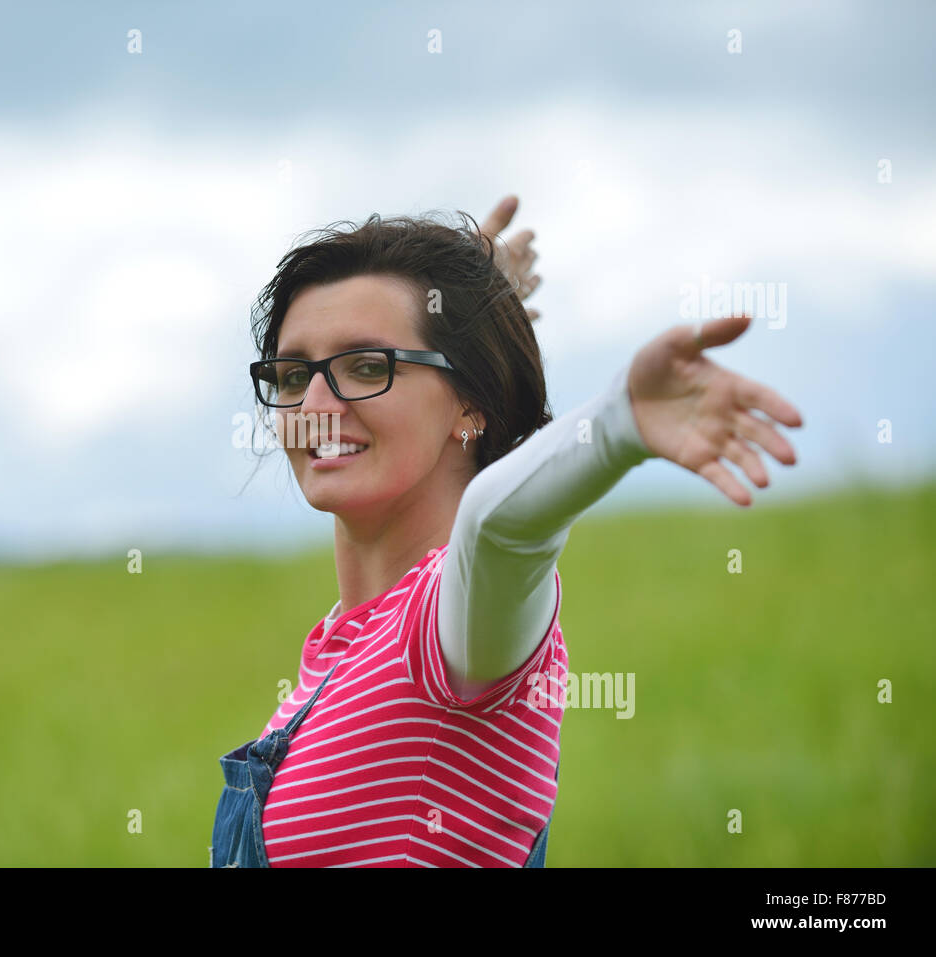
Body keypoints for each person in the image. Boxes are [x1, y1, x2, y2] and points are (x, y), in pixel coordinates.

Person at [209, 196, 803, 867]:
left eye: (367, 366)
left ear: (471, 400)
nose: (314, 407)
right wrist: (471, 294)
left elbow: (499, 527)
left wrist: (618, 423)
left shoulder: (449, 627)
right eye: (293, 376)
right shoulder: (343, 645)